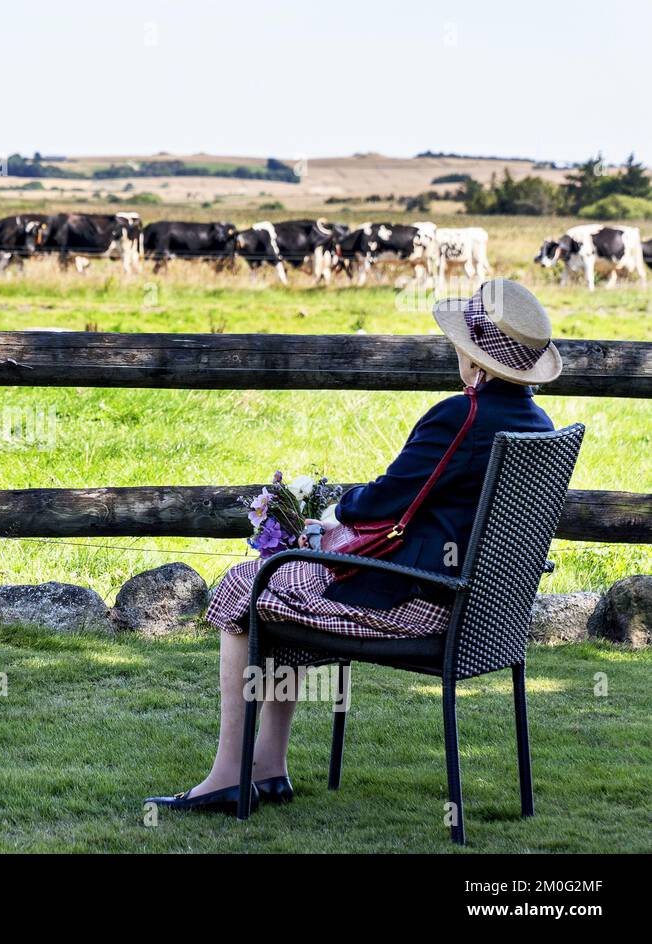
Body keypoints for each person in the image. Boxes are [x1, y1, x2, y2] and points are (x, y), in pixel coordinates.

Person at [147, 278, 560, 813]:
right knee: (282, 585)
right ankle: (268, 770)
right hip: (486, 613)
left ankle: (230, 773)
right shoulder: (539, 423)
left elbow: (384, 500)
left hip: (418, 606)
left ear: (476, 359)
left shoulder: (463, 417)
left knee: (249, 585)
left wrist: (331, 510)